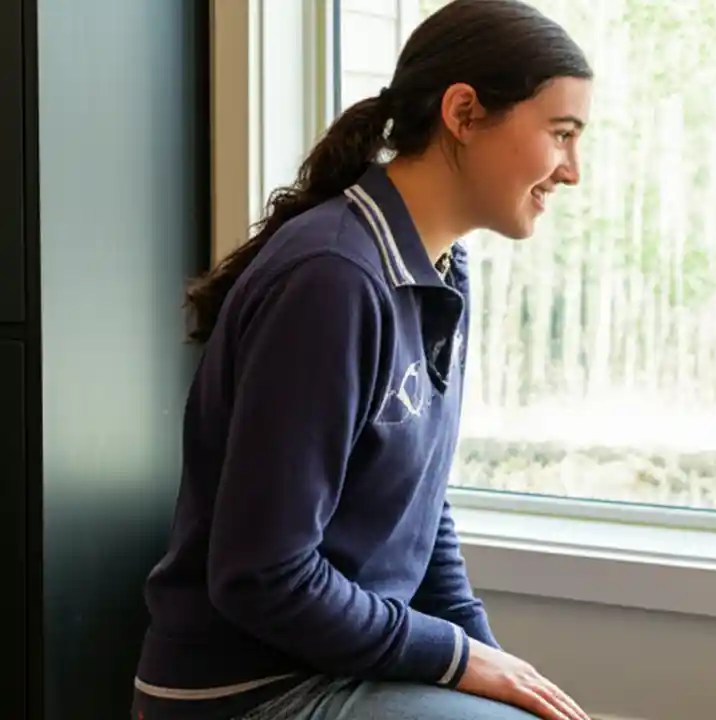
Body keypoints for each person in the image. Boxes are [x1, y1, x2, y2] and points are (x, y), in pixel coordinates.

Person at [131, 1, 593, 718]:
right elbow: (262, 576)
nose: (572, 172)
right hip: (245, 691)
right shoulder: (335, 279)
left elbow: (420, 511)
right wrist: (459, 658)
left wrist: (494, 664)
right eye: (560, 134)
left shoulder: (441, 272)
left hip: (337, 668)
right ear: (464, 114)